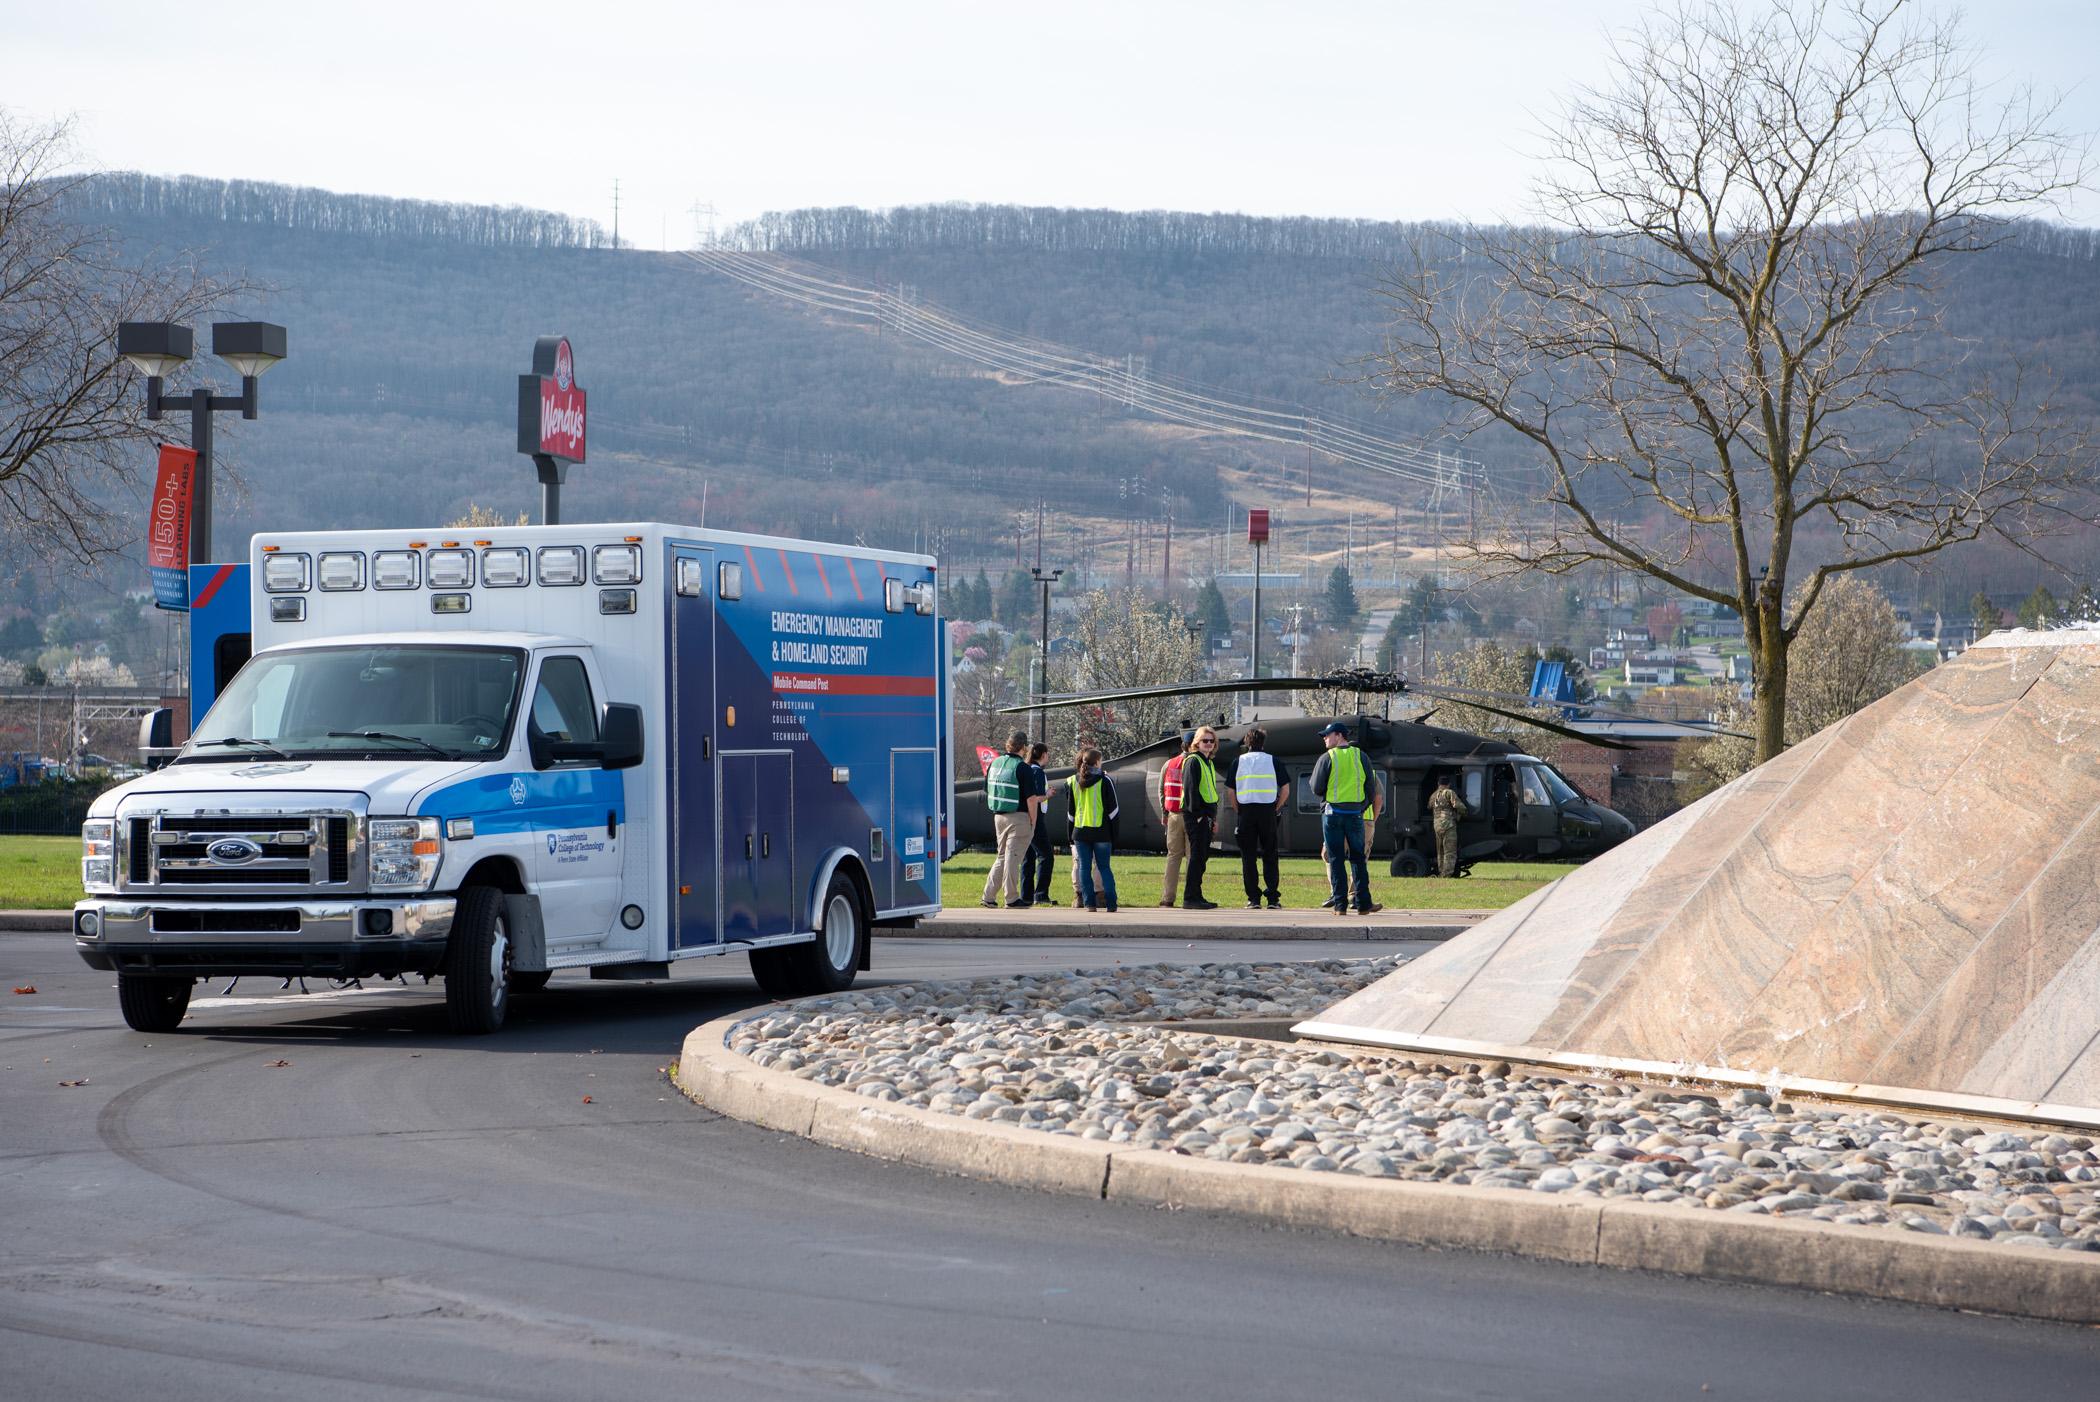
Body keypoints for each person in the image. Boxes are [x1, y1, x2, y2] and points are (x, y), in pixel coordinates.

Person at [1310, 721, 1384, 917]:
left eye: (1327, 735)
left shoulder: (1327, 758)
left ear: (1339, 735)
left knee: (1336, 860)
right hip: (1355, 816)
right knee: (1358, 859)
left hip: (1333, 815)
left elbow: (1316, 788)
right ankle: (1363, 904)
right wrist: (1360, 807)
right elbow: (1371, 788)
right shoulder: (1361, 757)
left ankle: (1340, 906)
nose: (1325, 739)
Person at [1229, 726, 1290, 909]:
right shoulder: (1274, 761)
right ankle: (1272, 898)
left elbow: (1231, 791)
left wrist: (1238, 809)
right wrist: (1276, 807)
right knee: (1270, 854)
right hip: (1267, 812)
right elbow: (1285, 789)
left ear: (1247, 742)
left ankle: (1253, 898)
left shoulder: (1238, 762)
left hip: (1246, 812)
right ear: (1263, 742)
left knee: (1248, 857)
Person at [978, 730, 1034, 908]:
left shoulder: (995, 763)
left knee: (1002, 857)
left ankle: (988, 896)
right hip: (1018, 817)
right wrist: (1033, 820)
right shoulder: (1023, 767)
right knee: (1013, 858)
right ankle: (1011, 898)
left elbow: (988, 789)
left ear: (1007, 745)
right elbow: (1031, 799)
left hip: (999, 816)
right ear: (1024, 747)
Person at [1068, 745, 1119, 912]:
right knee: (1104, 867)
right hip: (1102, 832)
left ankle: (1089, 904)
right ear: (1097, 762)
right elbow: (1114, 811)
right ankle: (1111, 904)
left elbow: (1070, 813)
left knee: (1084, 867)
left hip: (1080, 832)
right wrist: (1115, 835)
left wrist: (1070, 836)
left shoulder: (1074, 781)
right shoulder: (1106, 781)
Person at [1179, 725, 1222, 911]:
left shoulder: (1208, 762)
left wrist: (1213, 818)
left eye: (1212, 741)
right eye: (1205, 740)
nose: (1209, 744)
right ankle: (1190, 897)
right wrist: (1197, 815)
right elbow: (1190, 790)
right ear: (1197, 742)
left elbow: (1210, 792)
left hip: (1207, 816)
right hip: (1197, 816)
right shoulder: (1193, 761)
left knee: (1202, 856)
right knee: (1196, 856)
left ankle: (1197, 894)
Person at [1017, 742, 1056, 906]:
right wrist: (1048, 794)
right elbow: (1037, 796)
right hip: (1036, 817)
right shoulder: (1038, 772)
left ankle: (1026, 895)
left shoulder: (1026, 769)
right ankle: (1040, 894)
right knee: (1046, 855)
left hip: (1024, 816)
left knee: (1028, 856)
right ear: (1043, 755)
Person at [1157, 734, 1188, 907]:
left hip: (1173, 815)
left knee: (1173, 857)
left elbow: (1162, 790)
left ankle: (1167, 898)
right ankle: (1190, 896)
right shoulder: (1196, 763)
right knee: (1192, 858)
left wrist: (1164, 813)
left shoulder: (1168, 764)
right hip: (1192, 817)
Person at [1430, 773, 1467, 878]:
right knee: (1449, 851)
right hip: (1448, 824)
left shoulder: (1433, 795)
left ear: (1438, 784)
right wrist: (1463, 813)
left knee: (1440, 851)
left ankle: (1441, 872)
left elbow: (1429, 806)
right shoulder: (1449, 792)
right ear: (1449, 784)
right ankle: (1446, 875)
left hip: (1436, 825)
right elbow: (1459, 806)